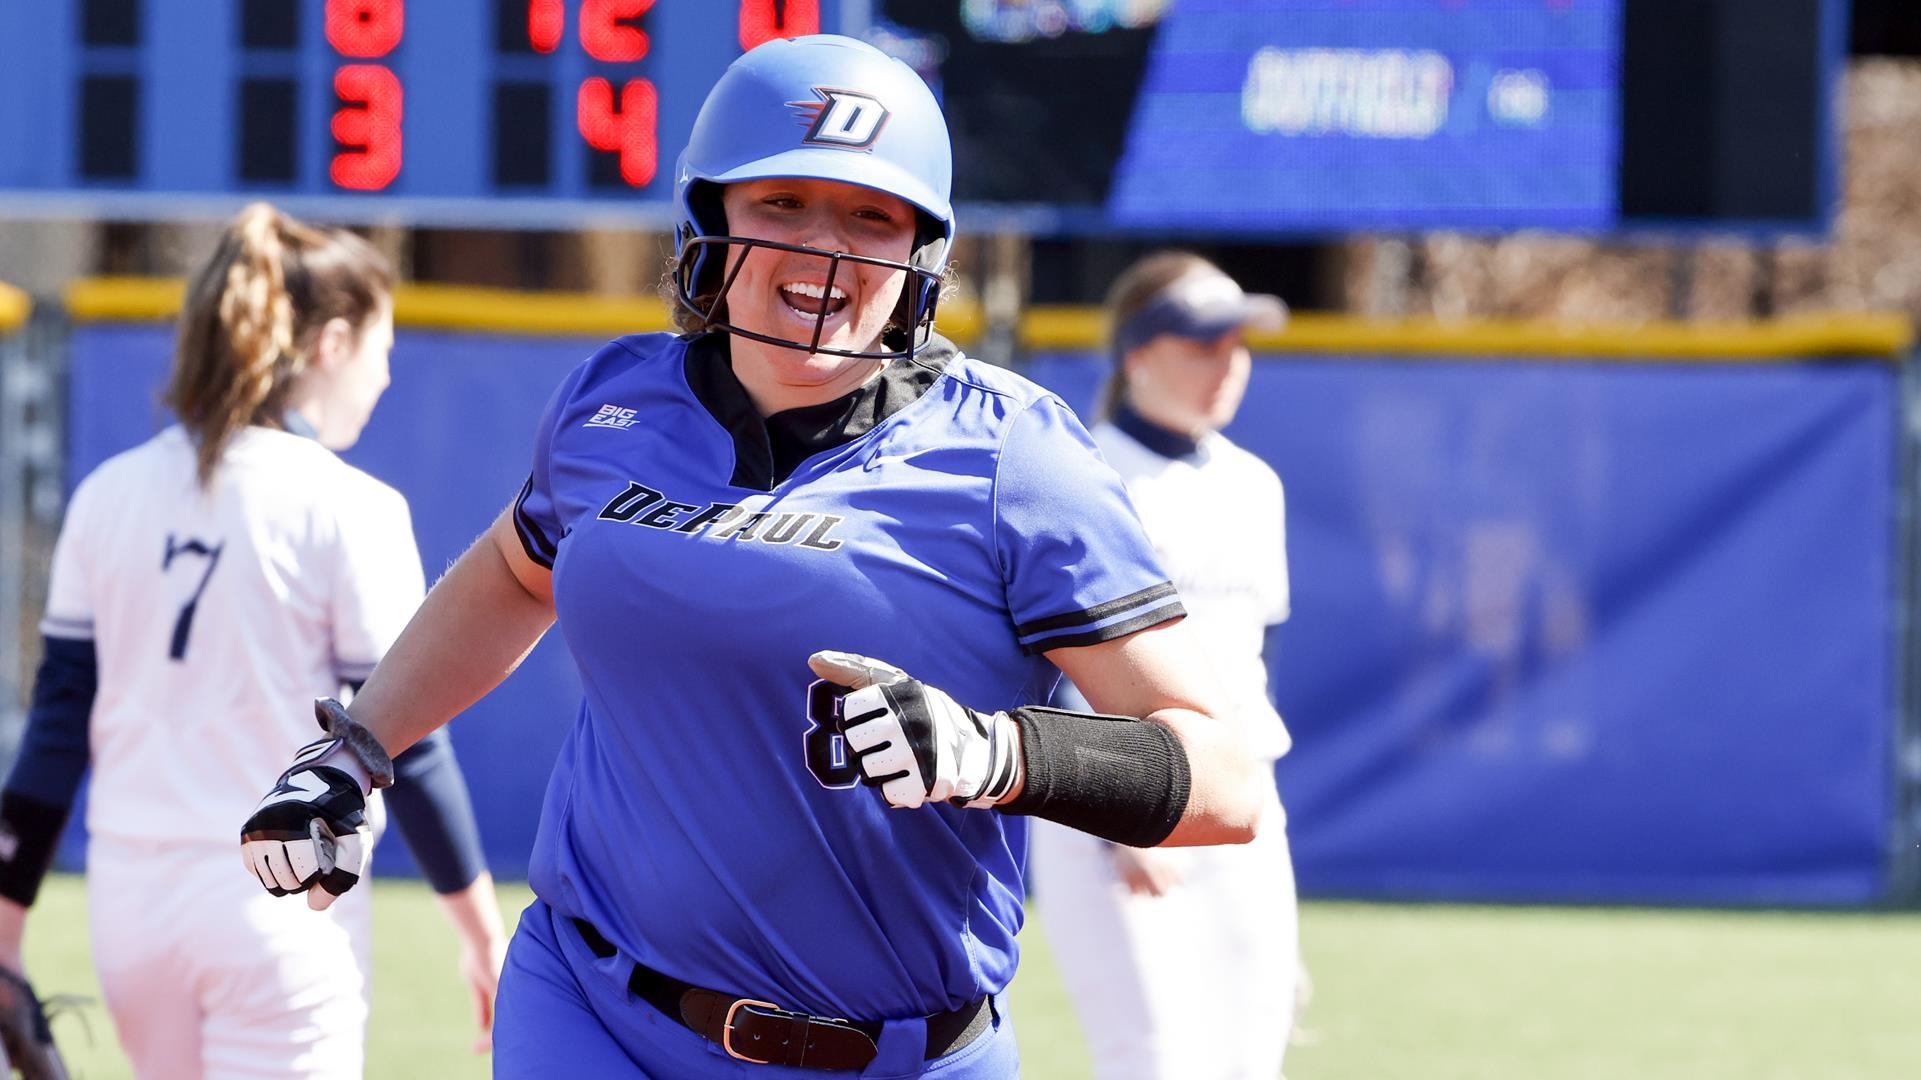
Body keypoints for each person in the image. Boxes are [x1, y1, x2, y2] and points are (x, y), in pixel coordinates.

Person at [236, 35, 1269, 1079]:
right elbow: (514, 571)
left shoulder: (1014, 455)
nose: (825, 249)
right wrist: (353, 753)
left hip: (899, 1054)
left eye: (871, 216)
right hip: (590, 1005)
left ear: (921, 254)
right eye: (783, 202)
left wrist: (997, 753)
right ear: (710, 217)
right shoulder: (614, 402)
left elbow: (1226, 784)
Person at [0, 203, 508, 1079]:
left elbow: (54, 733)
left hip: (131, 910)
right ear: (332, 344)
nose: (384, 374)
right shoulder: (350, 505)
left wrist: (5, 931)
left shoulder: (107, 494)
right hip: (282, 898)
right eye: (380, 348)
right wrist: (480, 933)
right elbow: (407, 742)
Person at [1031, 252, 1300, 1080]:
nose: (1229, 363)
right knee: (1152, 1057)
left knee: (1251, 1052)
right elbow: (1056, 665)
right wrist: (1122, 815)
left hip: (1240, 797)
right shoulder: (1083, 476)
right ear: (1138, 354)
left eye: (1237, 344)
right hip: (1112, 798)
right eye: (1203, 344)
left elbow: (1256, 661)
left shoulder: (1253, 483)